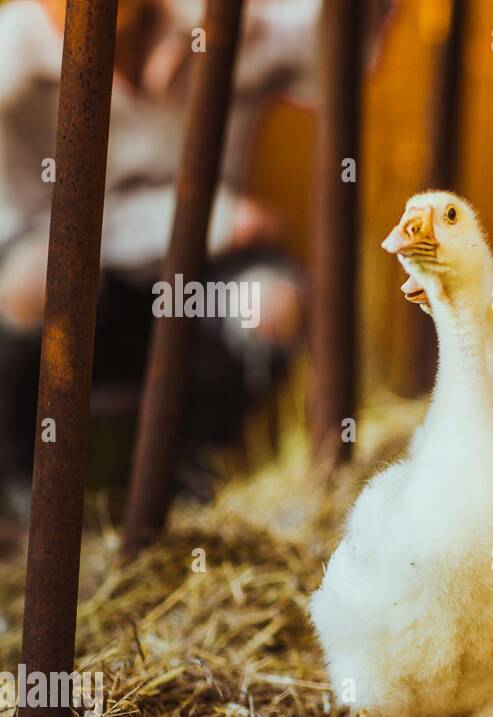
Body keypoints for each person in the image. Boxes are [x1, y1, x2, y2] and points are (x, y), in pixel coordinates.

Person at [0, 0, 320, 548]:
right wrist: (206, 216)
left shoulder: (210, 25)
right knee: (29, 286)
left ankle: (188, 497)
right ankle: (20, 507)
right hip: (83, 305)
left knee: (269, 305)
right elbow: (21, 223)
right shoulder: (11, 66)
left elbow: (324, 43)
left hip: (194, 294)